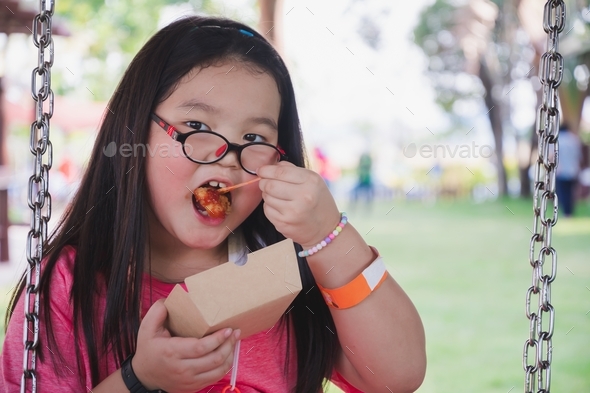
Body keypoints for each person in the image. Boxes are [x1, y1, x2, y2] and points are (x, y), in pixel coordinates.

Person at [1, 16, 425, 393]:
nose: (226, 156)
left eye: (255, 139)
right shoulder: (65, 286)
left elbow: (396, 376)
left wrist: (328, 235)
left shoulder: (284, 273)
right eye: (197, 126)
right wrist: (140, 380)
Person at [555, 123, 582, 217]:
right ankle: (570, 212)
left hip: (561, 171)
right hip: (573, 171)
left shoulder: (557, 140)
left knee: (562, 193)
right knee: (570, 192)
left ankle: (566, 213)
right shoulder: (574, 140)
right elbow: (579, 157)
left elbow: (552, 155)